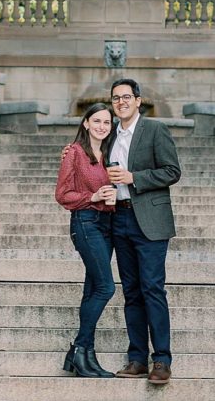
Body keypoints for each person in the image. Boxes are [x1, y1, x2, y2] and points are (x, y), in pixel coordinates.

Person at [105, 78, 180, 385]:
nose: (121, 102)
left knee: (152, 288)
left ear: (138, 101)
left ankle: (161, 360)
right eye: (115, 98)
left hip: (149, 220)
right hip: (119, 219)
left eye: (126, 97)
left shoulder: (155, 130)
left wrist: (134, 177)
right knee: (131, 292)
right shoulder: (109, 133)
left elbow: (172, 171)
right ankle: (136, 358)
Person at [54, 102, 118, 378]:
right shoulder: (75, 153)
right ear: (86, 123)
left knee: (92, 288)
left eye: (107, 122)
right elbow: (62, 194)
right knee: (106, 288)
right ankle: (79, 348)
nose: (102, 126)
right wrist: (91, 198)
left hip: (108, 225)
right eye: (97, 121)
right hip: (86, 223)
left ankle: (86, 357)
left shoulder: (112, 153)